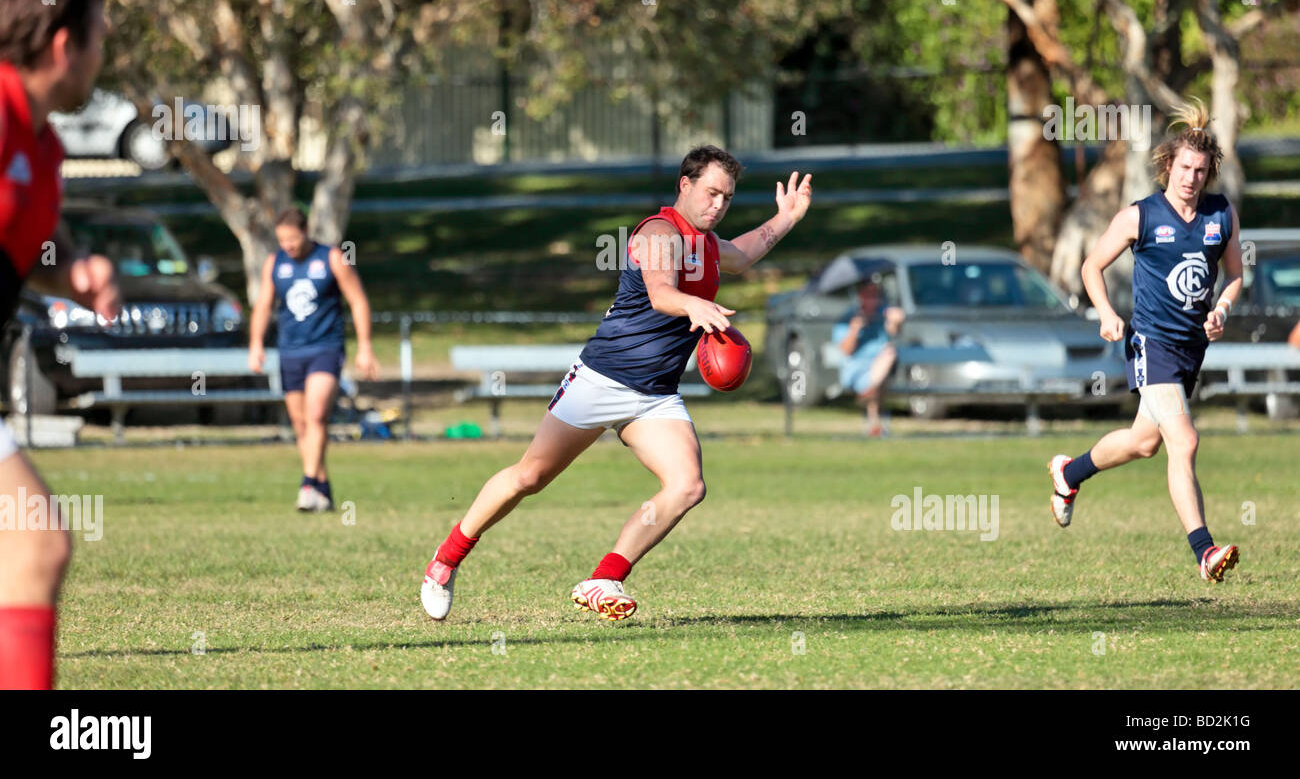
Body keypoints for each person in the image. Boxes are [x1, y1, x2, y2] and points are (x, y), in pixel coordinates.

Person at [420, 146, 813, 621]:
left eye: (727, 198)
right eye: (711, 193)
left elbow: (743, 255)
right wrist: (693, 305)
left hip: (654, 397)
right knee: (530, 477)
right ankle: (445, 560)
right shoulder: (658, 233)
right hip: (601, 380)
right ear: (685, 185)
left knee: (688, 486)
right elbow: (661, 290)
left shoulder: (708, 244)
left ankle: (604, 578)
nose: (718, 205)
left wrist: (786, 218)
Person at [1048, 99, 1243, 583]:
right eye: (1183, 168)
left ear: (1209, 172)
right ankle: (1204, 551)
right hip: (1150, 343)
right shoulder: (1141, 216)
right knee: (1185, 440)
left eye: (1200, 170)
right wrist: (1107, 315)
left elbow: (1236, 276)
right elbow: (1090, 267)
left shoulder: (1222, 216)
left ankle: (1068, 475)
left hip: (1189, 351)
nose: (1191, 178)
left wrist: (1220, 309)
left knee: (1143, 443)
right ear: (1168, 167)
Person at [0, 0, 119, 688]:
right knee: (35, 544)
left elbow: (29, 245)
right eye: (101, 37)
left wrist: (72, 272)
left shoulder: (41, 146)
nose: (104, 56)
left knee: (35, 545)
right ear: (65, 44)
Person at [248, 208, 379, 512]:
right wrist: (256, 344)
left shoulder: (332, 258)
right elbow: (264, 306)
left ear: (306, 232)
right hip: (290, 351)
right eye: (282, 241)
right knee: (300, 423)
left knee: (317, 414)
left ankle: (307, 483)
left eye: (293, 239)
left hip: (325, 348)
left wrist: (365, 346)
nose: (288, 246)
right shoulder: (274, 263)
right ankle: (323, 488)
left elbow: (358, 301)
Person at [832, 279, 905, 436]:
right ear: (860, 296)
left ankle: (873, 423)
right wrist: (854, 330)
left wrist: (896, 322)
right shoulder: (848, 319)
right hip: (856, 372)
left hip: (881, 370)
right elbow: (846, 351)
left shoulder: (884, 314)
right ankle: (876, 423)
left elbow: (894, 332)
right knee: (880, 377)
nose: (872, 298)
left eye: (875, 294)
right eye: (868, 294)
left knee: (888, 354)